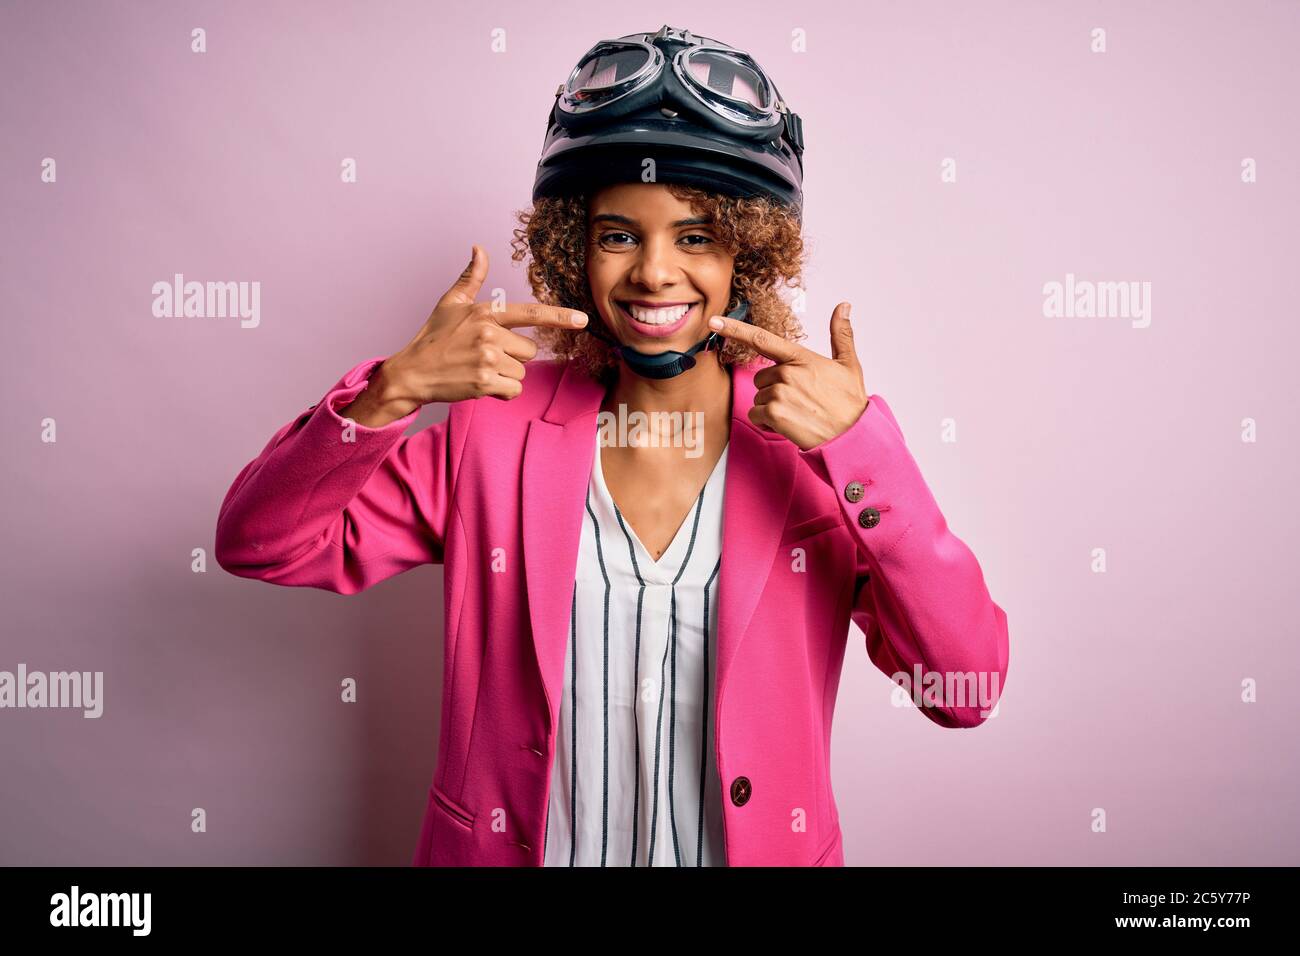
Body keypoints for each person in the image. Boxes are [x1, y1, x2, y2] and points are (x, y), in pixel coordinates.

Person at [214, 25, 1009, 867]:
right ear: (574, 251)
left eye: (696, 236)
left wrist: (860, 449)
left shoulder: (823, 462)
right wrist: (392, 392)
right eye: (619, 234)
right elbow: (260, 544)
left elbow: (967, 689)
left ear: (750, 253)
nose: (655, 273)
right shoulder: (492, 434)